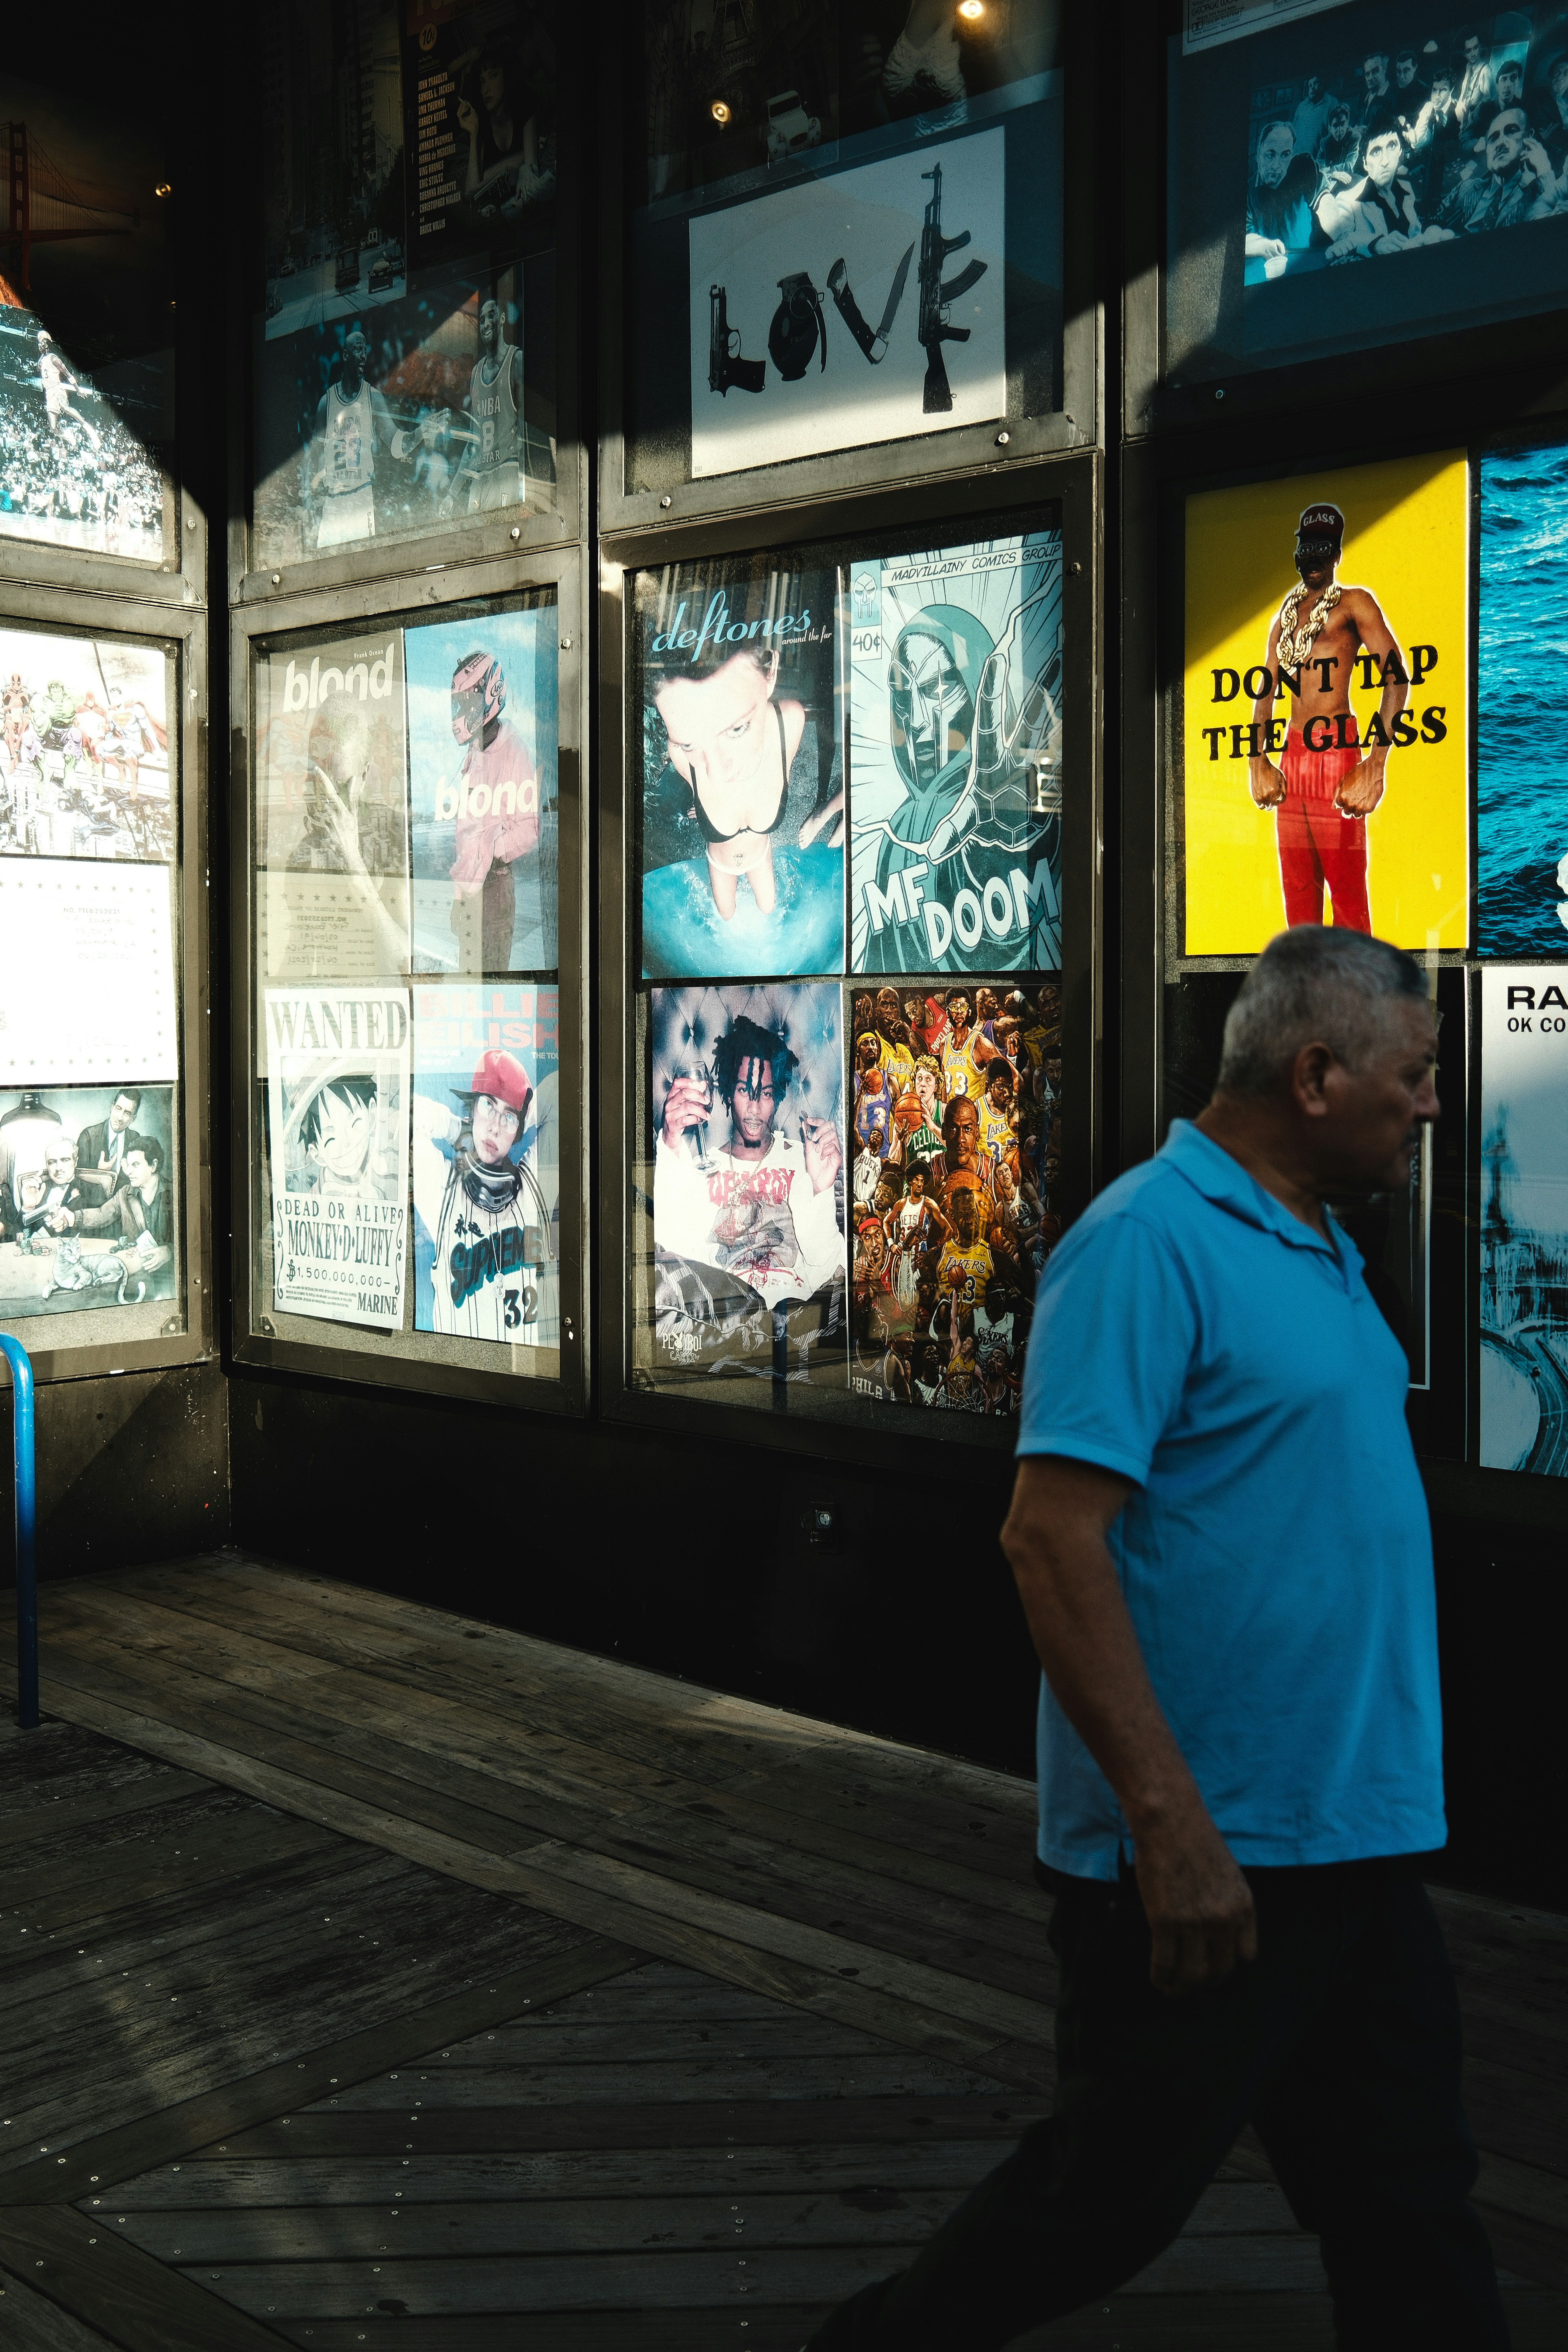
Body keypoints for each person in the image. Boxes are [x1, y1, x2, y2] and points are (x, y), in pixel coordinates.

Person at [804, 926, 1507, 2352]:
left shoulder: (1314, 1239)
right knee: (1104, 2205)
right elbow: (1047, 1541)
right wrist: (1169, 1828)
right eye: (1415, 1074)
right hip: (1218, 1854)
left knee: (1410, 2201)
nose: (1432, 1105)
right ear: (1318, 1073)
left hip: (1352, 1841)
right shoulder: (1144, 1245)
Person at [1246, 501, 1408, 932]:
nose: (1313, 556)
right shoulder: (1285, 616)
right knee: (1298, 895)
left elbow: (1398, 680)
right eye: (1306, 547)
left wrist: (1374, 766)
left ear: (1337, 554)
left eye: (1323, 547)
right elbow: (1265, 690)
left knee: (1349, 895)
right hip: (1294, 756)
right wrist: (1257, 762)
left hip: (1337, 749)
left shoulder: (1355, 604)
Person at [654, 1011, 843, 1310]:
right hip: (728, 1321)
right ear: (728, 1093)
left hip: (794, 1324)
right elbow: (676, 1255)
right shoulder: (698, 1168)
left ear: (777, 1097)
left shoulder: (805, 1158)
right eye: (744, 1090)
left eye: (765, 1094)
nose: (754, 1108)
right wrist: (670, 1142)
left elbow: (829, 1268)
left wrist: (821, 1191)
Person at [644, 639, 843, 923]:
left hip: (759, 854)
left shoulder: (789, 722)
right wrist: (701, 806)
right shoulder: (680, 754)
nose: (717, 774)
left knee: (768, 908)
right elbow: (698, 782)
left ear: (770, 672)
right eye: (689, 744)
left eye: (737, 729)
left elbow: (779, 773)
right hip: (720, 863)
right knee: (726, 916)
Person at [412, 1047, 555, 1342]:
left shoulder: (535, 1184)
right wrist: (459, 1130)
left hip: (530, 1371)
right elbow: (407, 1112)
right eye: (487, 1106)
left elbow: (559, 1093)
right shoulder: (442, 1192)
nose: (495, 1127)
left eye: (509, 1117)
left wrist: (526, 1116)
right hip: (461, 1373)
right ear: (472, 1109)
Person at [282, 698, 408, 977]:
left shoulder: (394, 833)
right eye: (316, 782)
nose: (324, 798)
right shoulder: (305, 854)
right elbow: (300, 958)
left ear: (363, 777)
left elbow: (407, 965)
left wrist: (351, 861)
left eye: (336, 787)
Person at [441, 648, 541, 975]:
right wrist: (460, 896)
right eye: (460, 705)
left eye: (467, 704)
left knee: (493, 981)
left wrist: (493, 852)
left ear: (489, 696)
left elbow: (528, 829)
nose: (462, 712)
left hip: (495, 886)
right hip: (471, 888)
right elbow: (465, 831)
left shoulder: (514, 750)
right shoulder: (474, 752)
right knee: (469, 982)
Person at [306, 327, 432, 550]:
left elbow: (395, 445)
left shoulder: (373, 397)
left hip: (361, 497)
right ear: (346, 356)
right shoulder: (326, 403)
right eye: (358, 350)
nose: (364, 355)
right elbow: (314, 458)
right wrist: (311, 499)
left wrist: (421, 432)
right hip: (333, 502)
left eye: (365, 350)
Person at [437, 297, 551, 519]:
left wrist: (533, 489)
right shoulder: (476, 373)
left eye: (491, 316)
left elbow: (528, 429)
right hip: (480, 477)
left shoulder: (516, 360)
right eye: (481, 320)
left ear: (502, 320)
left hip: (506, 471)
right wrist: (452, 493)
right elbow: (472, 442)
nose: (486, 323)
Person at [1429, 104, 1562, 234]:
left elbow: (1556, 233)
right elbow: (1432, 226)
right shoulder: (1465, 189)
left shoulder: (1538, 192)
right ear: (1487, 150)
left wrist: (1545, 172)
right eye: (1493, 139)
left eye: (1511, 132)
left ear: (1530, 137)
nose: (1500, 143)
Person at [66, 1132, 174, 1279]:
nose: (129, 1172)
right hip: (137, 1273)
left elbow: (195, 1237)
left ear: (154, 1165)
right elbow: (102, 1214)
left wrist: (171, 1252)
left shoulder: (175, 1193)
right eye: (128, 1165)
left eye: (136, 1165)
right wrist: (72, 1218)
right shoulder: (125, 1193)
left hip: (171, 1275)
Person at [1318, 115, 1425, 254]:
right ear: (1366, 163)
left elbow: (1415, 232)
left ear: (1400, 152)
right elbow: (1343, 239)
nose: (1385, 161)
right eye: (1376, 152)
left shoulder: (1406, 188)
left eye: (1392, 146)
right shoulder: (1348, 200)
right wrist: (1374, 243)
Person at [296, 1072, 392, 1208]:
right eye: (331, 1140)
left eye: (356, 1123)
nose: (347, 1142)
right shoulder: (313, 1199)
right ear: (317, 1154)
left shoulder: (389, 1166)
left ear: (372, 1115)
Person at [73, 1088, 140, 1198]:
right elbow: (77, 1182)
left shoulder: (136, 1139)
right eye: (118, 1109)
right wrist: (100, 1175)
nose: (120, 1118)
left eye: (127, 1113)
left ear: (133, 1119)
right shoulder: (88, 1136)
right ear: (112, 1107)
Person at [1290, 73, 1332, 160]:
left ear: (1322, 85)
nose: (1312, 87)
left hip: (1316, 161)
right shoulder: (1302, 106)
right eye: (1310, 85)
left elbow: (1333, 137)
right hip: (1296, 158)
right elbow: (1293, 133)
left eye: (1316, 83)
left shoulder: (1331, 104)